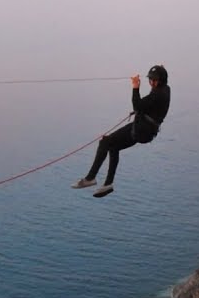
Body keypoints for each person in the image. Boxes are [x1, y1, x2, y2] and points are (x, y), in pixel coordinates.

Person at [72, 65, 171, 198]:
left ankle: (90, 178)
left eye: (153, 80)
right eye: (151, 80)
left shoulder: (158, 94)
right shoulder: (165, 89)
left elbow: (137, 105)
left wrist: (135, 87)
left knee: (105, 142)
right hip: (146, 131)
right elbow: (150, 106)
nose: (151, 82)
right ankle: (108, 184)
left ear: (160, 80)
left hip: (141, 130)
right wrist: (160, 70)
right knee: (114, 147)